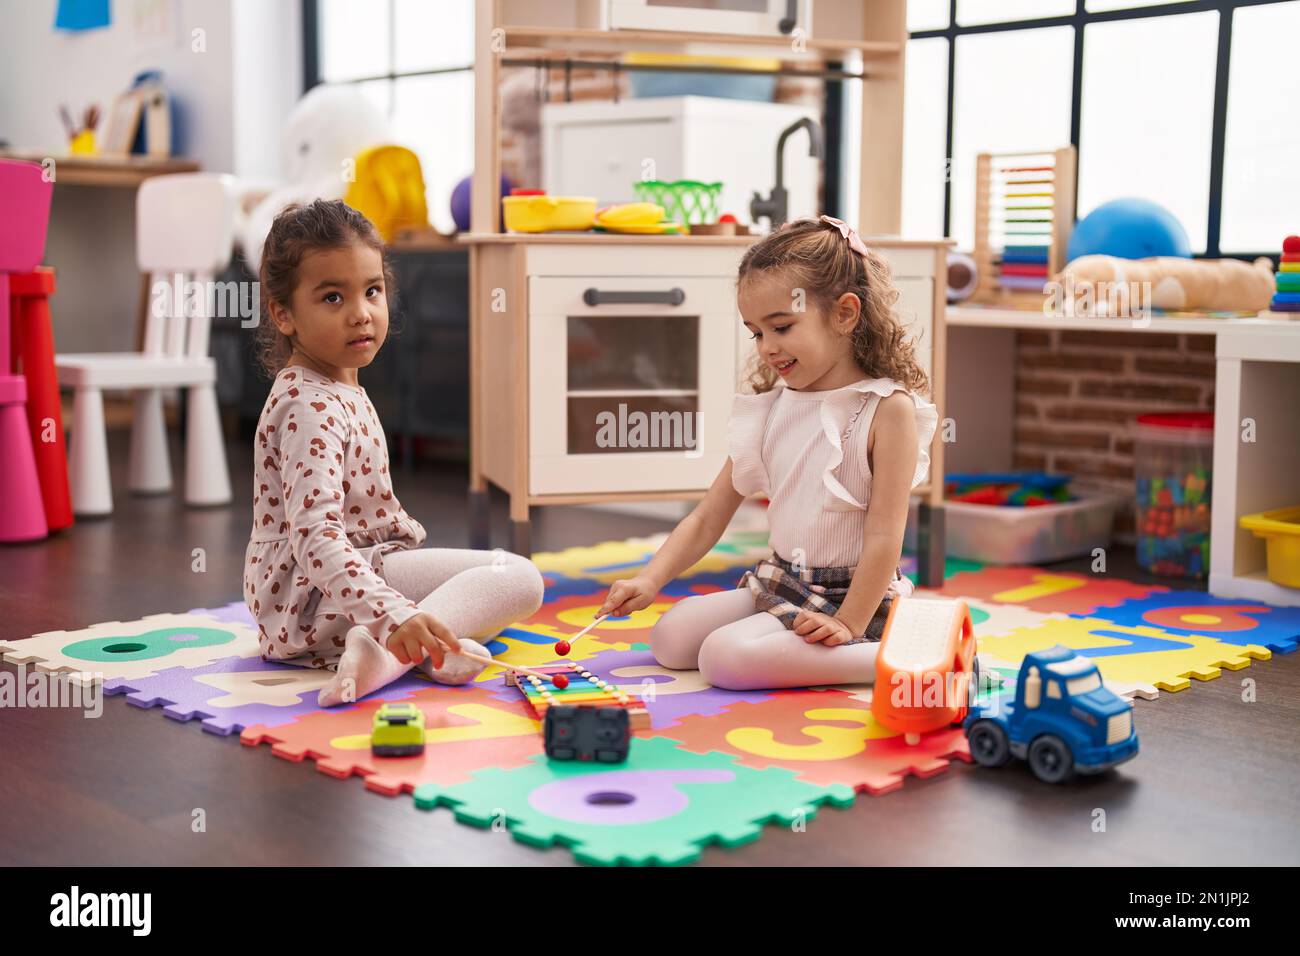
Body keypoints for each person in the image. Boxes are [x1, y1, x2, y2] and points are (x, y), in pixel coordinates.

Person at [597, 216, 937, 690]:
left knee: (723, 660)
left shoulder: (887, 411)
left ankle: (895, 657)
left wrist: (849, 623)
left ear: (844, 313)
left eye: (781, 327)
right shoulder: (771, 409)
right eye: (757, 332)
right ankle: (793, 647)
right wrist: (650, 580)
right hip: (781, 580)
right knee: (671, 639)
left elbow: (884, 536)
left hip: (854, 596)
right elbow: (706, 518)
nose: (767, 348)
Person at [244, 199, 543, 706]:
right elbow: (315, 537)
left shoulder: (330, 387)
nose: (361, 313)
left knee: (488, 592)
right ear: (283, 314)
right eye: (333, 298)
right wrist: (394, 614)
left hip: (340, 590)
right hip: (314, 601)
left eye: (372, 291)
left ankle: (411, 651)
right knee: (518, 578)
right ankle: (387, 651)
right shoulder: (308, 404)